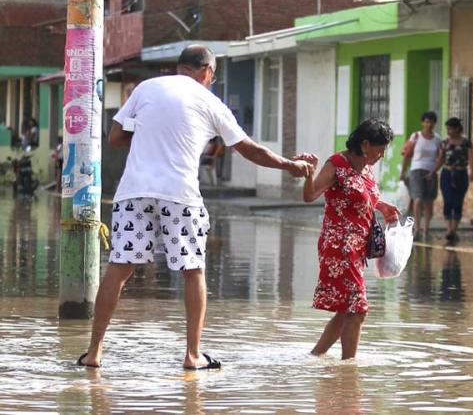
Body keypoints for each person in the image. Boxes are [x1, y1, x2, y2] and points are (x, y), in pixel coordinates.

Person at [76, 44, 315, 370]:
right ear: (207, 71)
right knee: (193, 271)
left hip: (134, 193)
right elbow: (250, 150)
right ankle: (192, 355)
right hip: (180, 196)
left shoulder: (147, 87)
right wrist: (291, 166)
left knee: (118, 269)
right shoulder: (209, 101)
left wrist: (151, 135)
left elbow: (115, 136)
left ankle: (94, 353)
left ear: (180, 66)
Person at [302, 118, 401, 360]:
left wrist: (382, 206)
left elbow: (361, 197)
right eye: (380, 149)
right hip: (339, 246)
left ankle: (315, 356)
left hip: (358, 247)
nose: (382, 155)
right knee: (357, 310)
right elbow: (310, 195)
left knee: (346, 310)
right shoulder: (338, 163)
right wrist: (309, 174)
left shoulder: (365, 167)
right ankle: (349, 370)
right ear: (365, 144)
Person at [431, 117, 473, 243]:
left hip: (461, 174)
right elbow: (440, 159)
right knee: (448, 201)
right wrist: (433, 172)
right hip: (447, 174)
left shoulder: (466, 143)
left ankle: (454, 230)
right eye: (447, 129)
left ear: (457, 129)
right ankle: (449, 229)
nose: (449, 131)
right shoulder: (444, 143)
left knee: (458, 202)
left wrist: (472, 172)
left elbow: (471, 158)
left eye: (450, 128)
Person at [400, 111, 441, 239]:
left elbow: (440, 157)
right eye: (426, 121)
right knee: (417, 200)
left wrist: (434, 171)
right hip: (416, 170)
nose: (429, 124)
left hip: (431, 171)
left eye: (431, 122)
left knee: (429, 201)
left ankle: (426, 230)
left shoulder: (437, 139)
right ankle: (417, 229)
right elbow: (407, 154)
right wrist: (403, 172)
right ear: (423, 123)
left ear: (434, 124)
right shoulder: (416, 136)